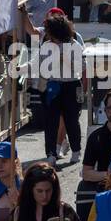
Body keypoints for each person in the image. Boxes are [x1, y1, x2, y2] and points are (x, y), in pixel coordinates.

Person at [39, 13, 85, 165]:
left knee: (72, 120)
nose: (47, 34)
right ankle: (51, 153)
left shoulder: (75, 45)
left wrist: (64, 59)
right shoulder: (46, 46)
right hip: (53, 86)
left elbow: (82, 66)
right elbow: (40, 65)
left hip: (72, 85)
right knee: (50, 121)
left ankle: (76, 151)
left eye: (49, 31)